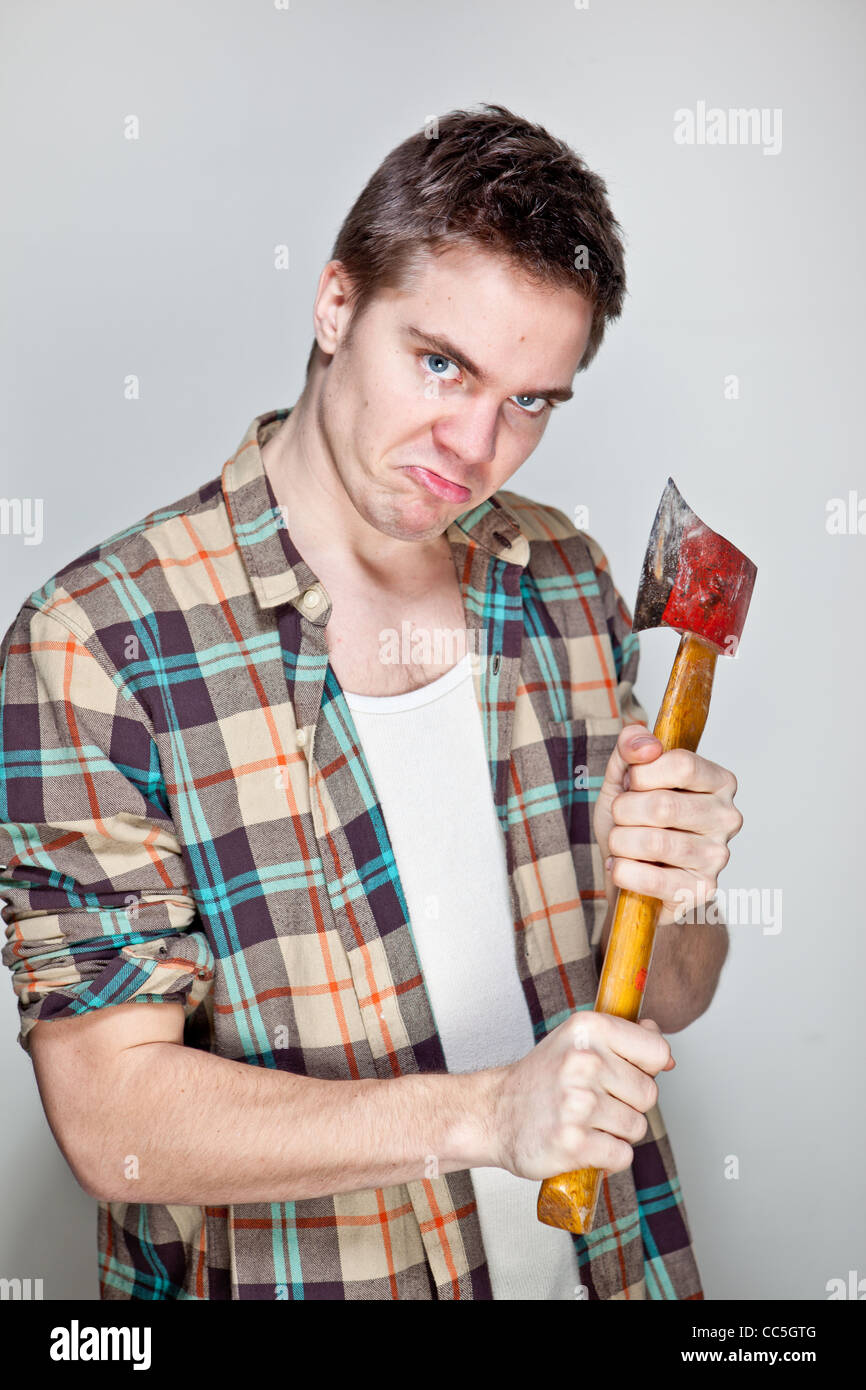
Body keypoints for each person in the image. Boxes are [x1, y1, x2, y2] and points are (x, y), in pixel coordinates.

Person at [0, 104, 740, 1300]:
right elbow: (110, 1119)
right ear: (336, 304)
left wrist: (683, 878)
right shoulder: (97, 641)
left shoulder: (565, 581)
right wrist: (490, 1113)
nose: (473, 441)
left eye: (529, 400)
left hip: (606, 1269)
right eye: (440, 362)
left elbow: (668, 989)